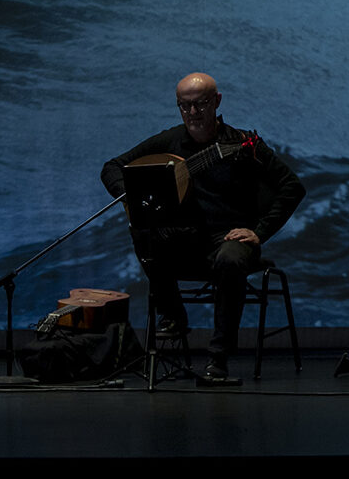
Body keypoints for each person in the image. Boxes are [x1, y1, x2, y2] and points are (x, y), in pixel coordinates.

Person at [101, 72, 305, 385]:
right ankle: (175, 316)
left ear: (217, 102)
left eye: (201, 104)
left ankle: (218, 360)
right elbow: (112, 167)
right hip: (187, 245)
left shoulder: (243, 144)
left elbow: (291, 186)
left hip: (230, 242)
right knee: (143, 231)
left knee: (230, 258)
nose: (193, 113)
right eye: (185, 106)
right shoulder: (170, 140)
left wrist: (260, 232)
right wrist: (132, 201)